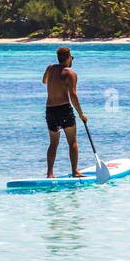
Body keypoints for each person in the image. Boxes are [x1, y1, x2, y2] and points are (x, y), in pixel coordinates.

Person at [43, 47, 87, 178]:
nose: (72, 60)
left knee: (53, 143)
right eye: (71, 57)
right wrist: (81, 114)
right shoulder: (71, 73)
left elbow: (44, 81)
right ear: (68, 57)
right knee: (72, 141)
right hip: (64, 110)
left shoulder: (50, 68)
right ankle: (75, 171)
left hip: (50, 110)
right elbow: (73, 95)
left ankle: (50, 174)